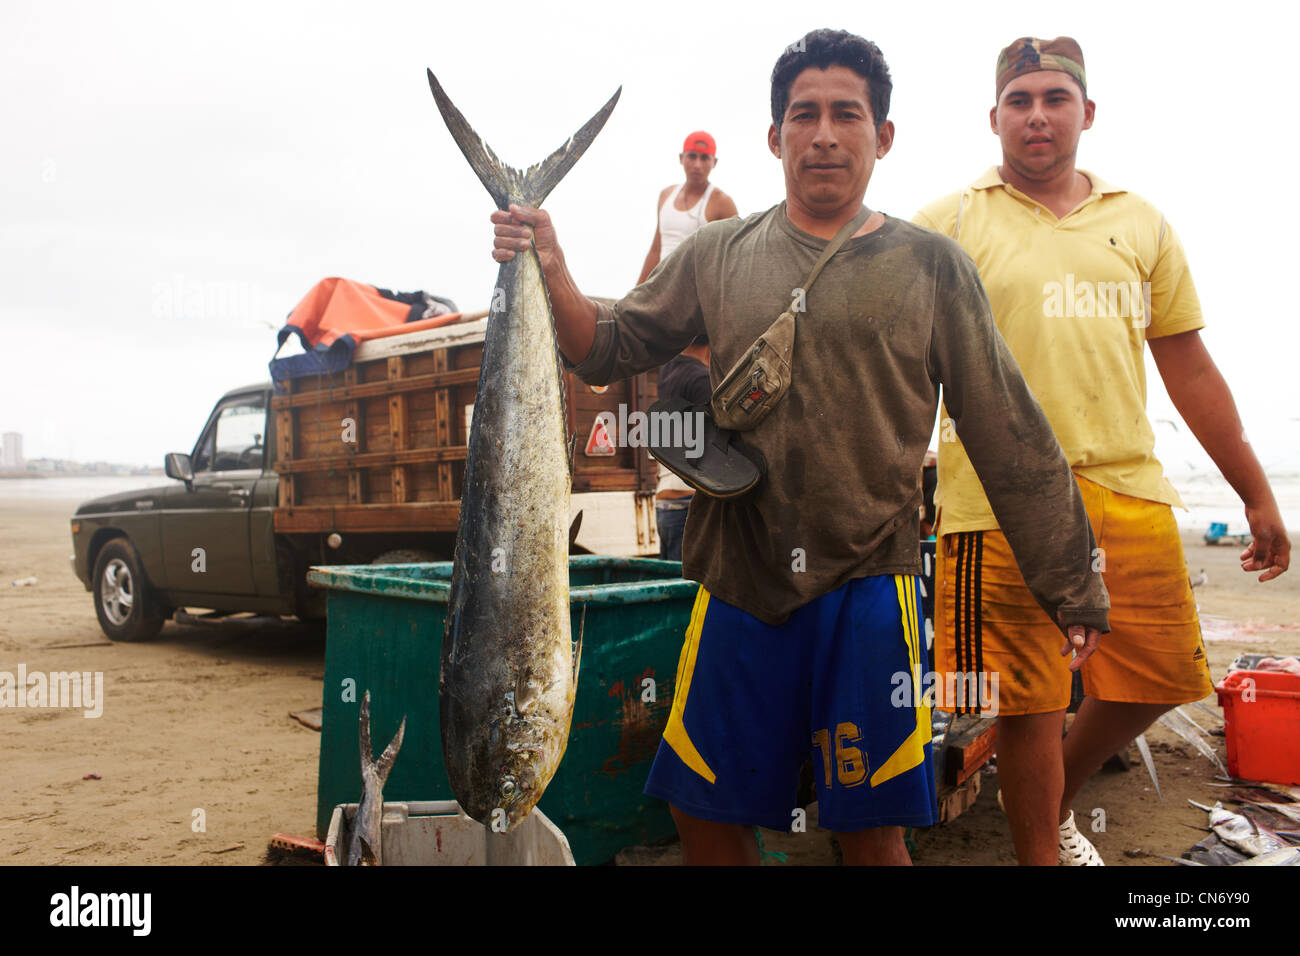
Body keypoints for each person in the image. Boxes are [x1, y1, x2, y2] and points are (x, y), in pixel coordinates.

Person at [492, 28, 1109, 866]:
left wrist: (1071, 581)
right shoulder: (717, 253)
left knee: (868, 832)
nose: (824, 133)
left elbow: (1010, 434)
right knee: (703, 813)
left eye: (846, 115)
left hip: (868, 588)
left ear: (882, 137)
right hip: (739, 580)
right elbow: (606, 344)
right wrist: (551, 264)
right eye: (803, 114)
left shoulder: (934, 267)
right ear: (775, 136)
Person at [914, 36, 1291, 866]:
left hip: (1125, 488)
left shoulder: (1140, 220)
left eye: (1055, 98)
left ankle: (1044, 806)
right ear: (994, 117)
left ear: (1087, 112)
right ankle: (1041, 852)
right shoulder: (947, 223)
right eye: (1021, 100)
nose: (1038, 115)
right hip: (998, 501)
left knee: (1163, 677)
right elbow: (899, 366)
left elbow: (1188, 366)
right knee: (1025, 705)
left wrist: (1256, 493)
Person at [636, 132, 738, 284]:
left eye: (704, 158)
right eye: (692, 156)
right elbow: (656, 249)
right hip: (660, 285)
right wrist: (636, 291)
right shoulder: (666, 195)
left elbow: (735, 257)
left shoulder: (722, 202)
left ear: (714, 162)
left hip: (697, 290)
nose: (697, 165)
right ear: (681, 158)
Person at [653, 333, 711, 561]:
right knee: (689, 590)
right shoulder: (701, 380)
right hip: (688, 502)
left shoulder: (667, 372)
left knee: (670, 588)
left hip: (665, 502)